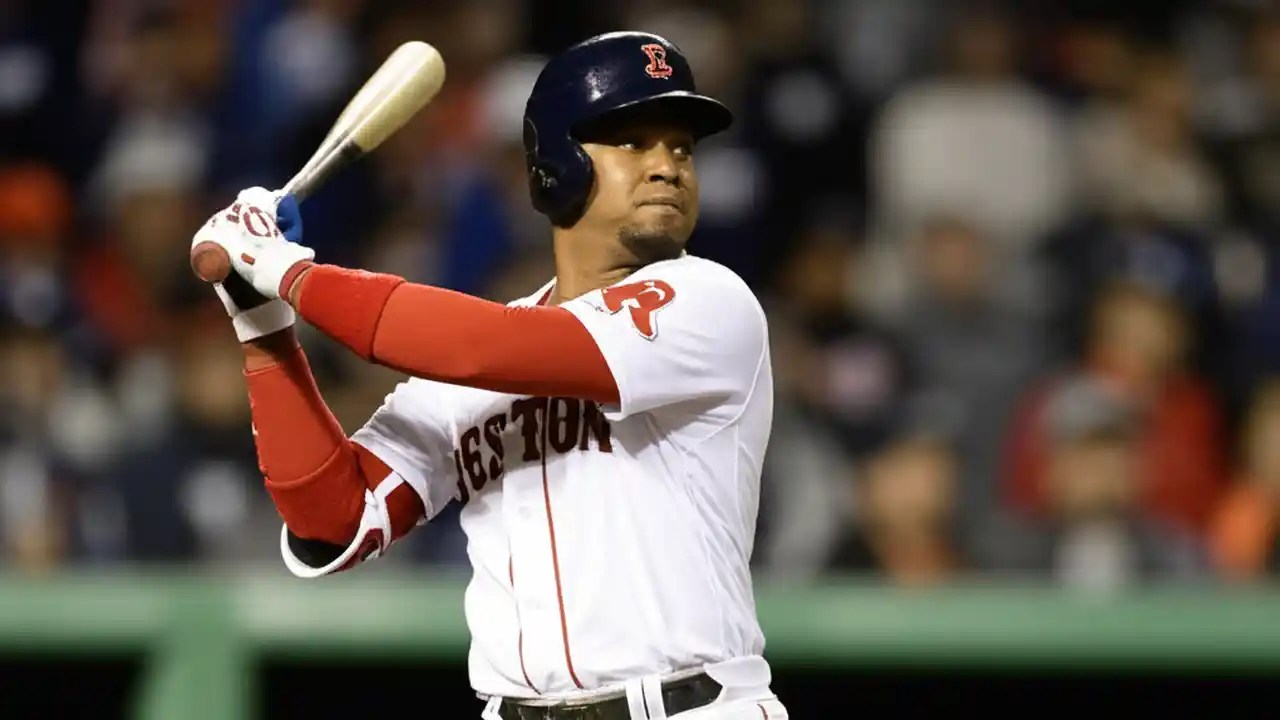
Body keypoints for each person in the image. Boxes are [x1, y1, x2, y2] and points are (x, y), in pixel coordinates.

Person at [188, 32, 787, 720]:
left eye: (681, 147)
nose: (667, 166)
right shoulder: (477, 359)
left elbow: (488, 346)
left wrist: (287, 270)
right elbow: (334, 517)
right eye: (632, 141)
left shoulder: (709, 303)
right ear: (557, 163)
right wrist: (260, 319)